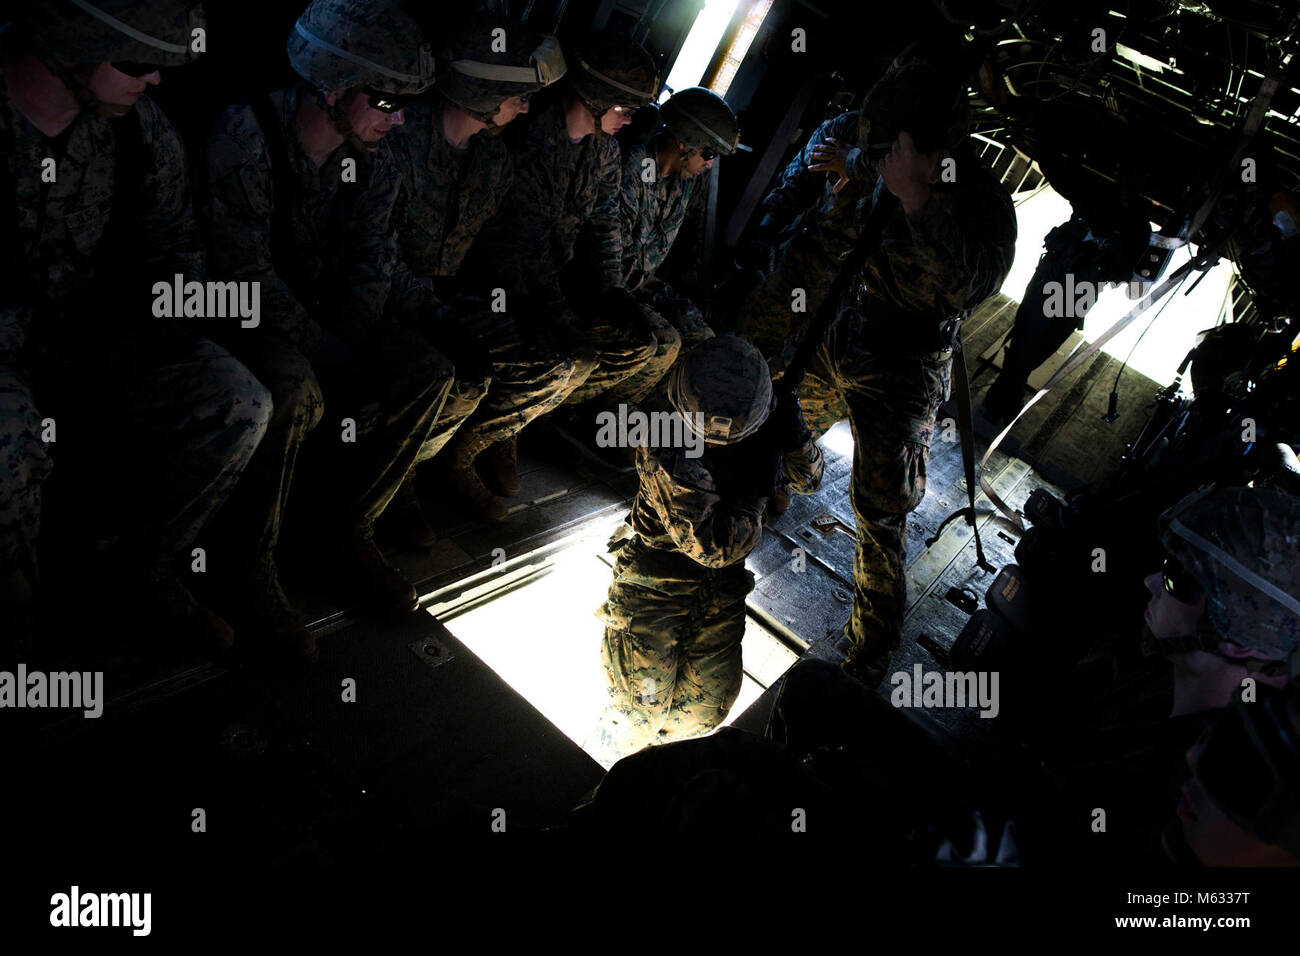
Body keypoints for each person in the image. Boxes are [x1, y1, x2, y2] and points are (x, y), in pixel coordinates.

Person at [0, 0, 270, 653]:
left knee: (239, 401)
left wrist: (150, 326)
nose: (154, 80)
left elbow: (174, 251)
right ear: (71, 44)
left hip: (91, 339)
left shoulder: (135, 132)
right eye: (139, 61)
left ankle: (142, 569)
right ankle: (15, 633)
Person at [202, 0, 443, 655]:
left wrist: (356, 342)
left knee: (427, 371)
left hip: (324, 321)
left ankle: (346, 529)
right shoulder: (246, 135)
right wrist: (326, 350)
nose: (397, 120)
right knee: (295, 388)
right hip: (238, 316)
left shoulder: (375, 155)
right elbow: (241, 270)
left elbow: (372, 257)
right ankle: (248, 559)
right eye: (386, 101)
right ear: (334, 87)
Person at [795, 53, 1017, 687]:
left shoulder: (981, 201)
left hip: (906, 364)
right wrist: (852, 166)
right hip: (847, 332)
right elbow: (874, 164)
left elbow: (965, 288)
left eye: (902, 147)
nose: (889, 154)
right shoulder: (892, 157)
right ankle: (777, 488)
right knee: (776, 419)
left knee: (880, 511)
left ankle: (869, 650)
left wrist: (917, 201)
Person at [587, 335, 824, 767]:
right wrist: (757, 485)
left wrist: (793, 435)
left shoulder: (757, 403)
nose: (715, 445)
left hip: (723, 580)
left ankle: (656, 778)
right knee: (638, 715)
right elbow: (711, 547)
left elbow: (809, 480)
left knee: (702, 715)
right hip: (656, 575)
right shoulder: (663, 433)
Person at [459, 30, 674, 483]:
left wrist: (613, 290)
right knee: (567, 352)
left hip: (551, 284)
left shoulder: (605, 153)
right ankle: (475, 445)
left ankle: (532, 420)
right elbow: (523, 245)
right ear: (594, 99)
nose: (629, 121)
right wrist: (561, 316)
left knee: (637, 342)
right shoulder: (528, 140)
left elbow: (604, 226)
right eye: (624, 109)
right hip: (501, 284)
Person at [384, 13, 573, 527]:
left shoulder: (493, 158)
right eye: (517, 96)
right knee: (455, 369)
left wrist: (523, 308)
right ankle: (391, 479)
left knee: (553, 360)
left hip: (450, 297)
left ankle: (446, 461)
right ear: (484, 93)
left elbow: (498, 249)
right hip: (389, 301)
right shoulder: (395, 139)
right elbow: (373, 256)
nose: (525, 107)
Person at [615, 85, 739, 356]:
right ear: (684, 143)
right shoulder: (635, 167)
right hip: (615, 285)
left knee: (705, 340)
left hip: (644, 283)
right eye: (708, 154)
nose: (709, 164)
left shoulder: (685, 182)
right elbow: (611, 257)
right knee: (665, 345)